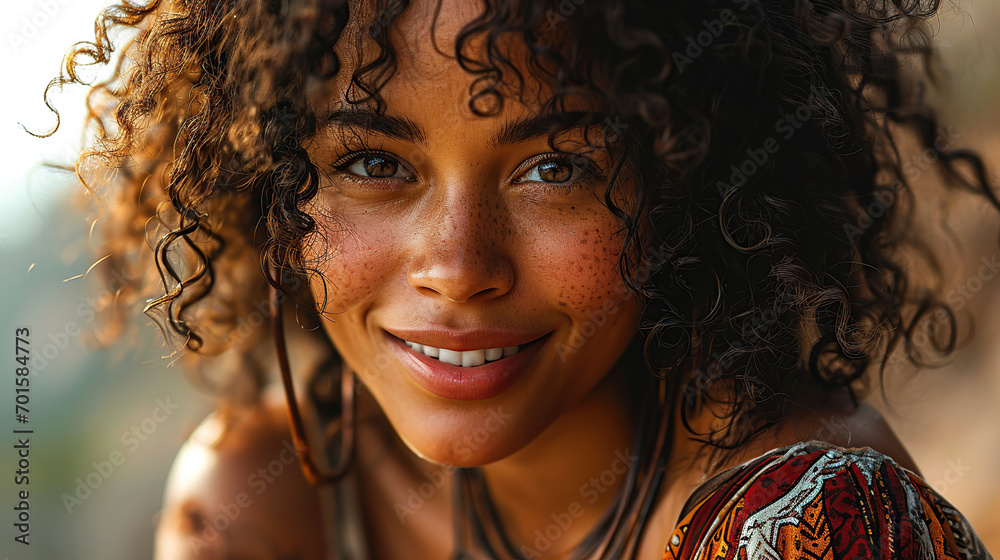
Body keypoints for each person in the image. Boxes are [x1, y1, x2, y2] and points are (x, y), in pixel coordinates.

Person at [49, 0, 996, 558]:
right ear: (266, 190)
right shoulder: (263, 502)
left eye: (557, 168)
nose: (458, 269)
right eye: (374, 164)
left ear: (689, 181)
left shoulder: (807, 522)